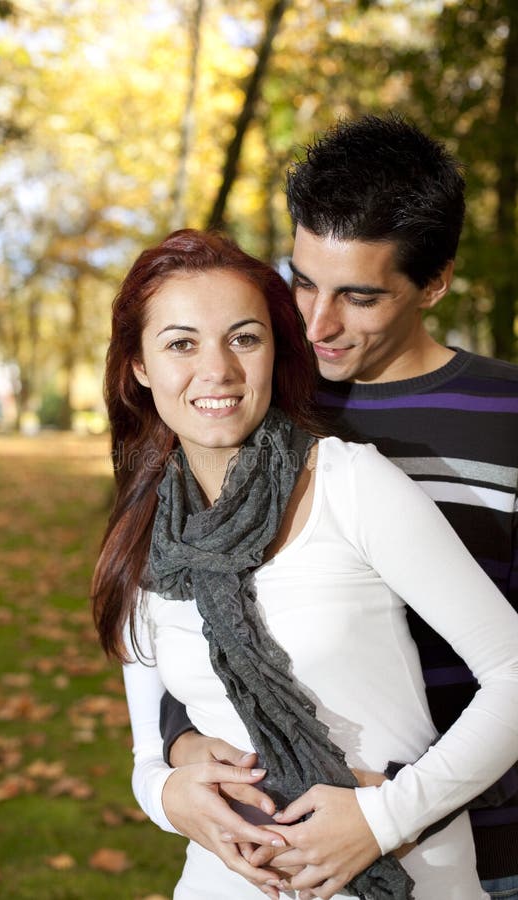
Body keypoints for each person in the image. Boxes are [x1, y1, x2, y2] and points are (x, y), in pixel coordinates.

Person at [91, 226, 518, 900]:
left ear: (274, 352)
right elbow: (149, 755)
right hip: (228, 881)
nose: (218, 371)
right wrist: (168, 797)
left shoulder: (349, 483)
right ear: (139, 366)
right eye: (181, 343)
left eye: (244, 338)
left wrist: (384, 818)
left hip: (409, 868)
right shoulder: (147, 528)